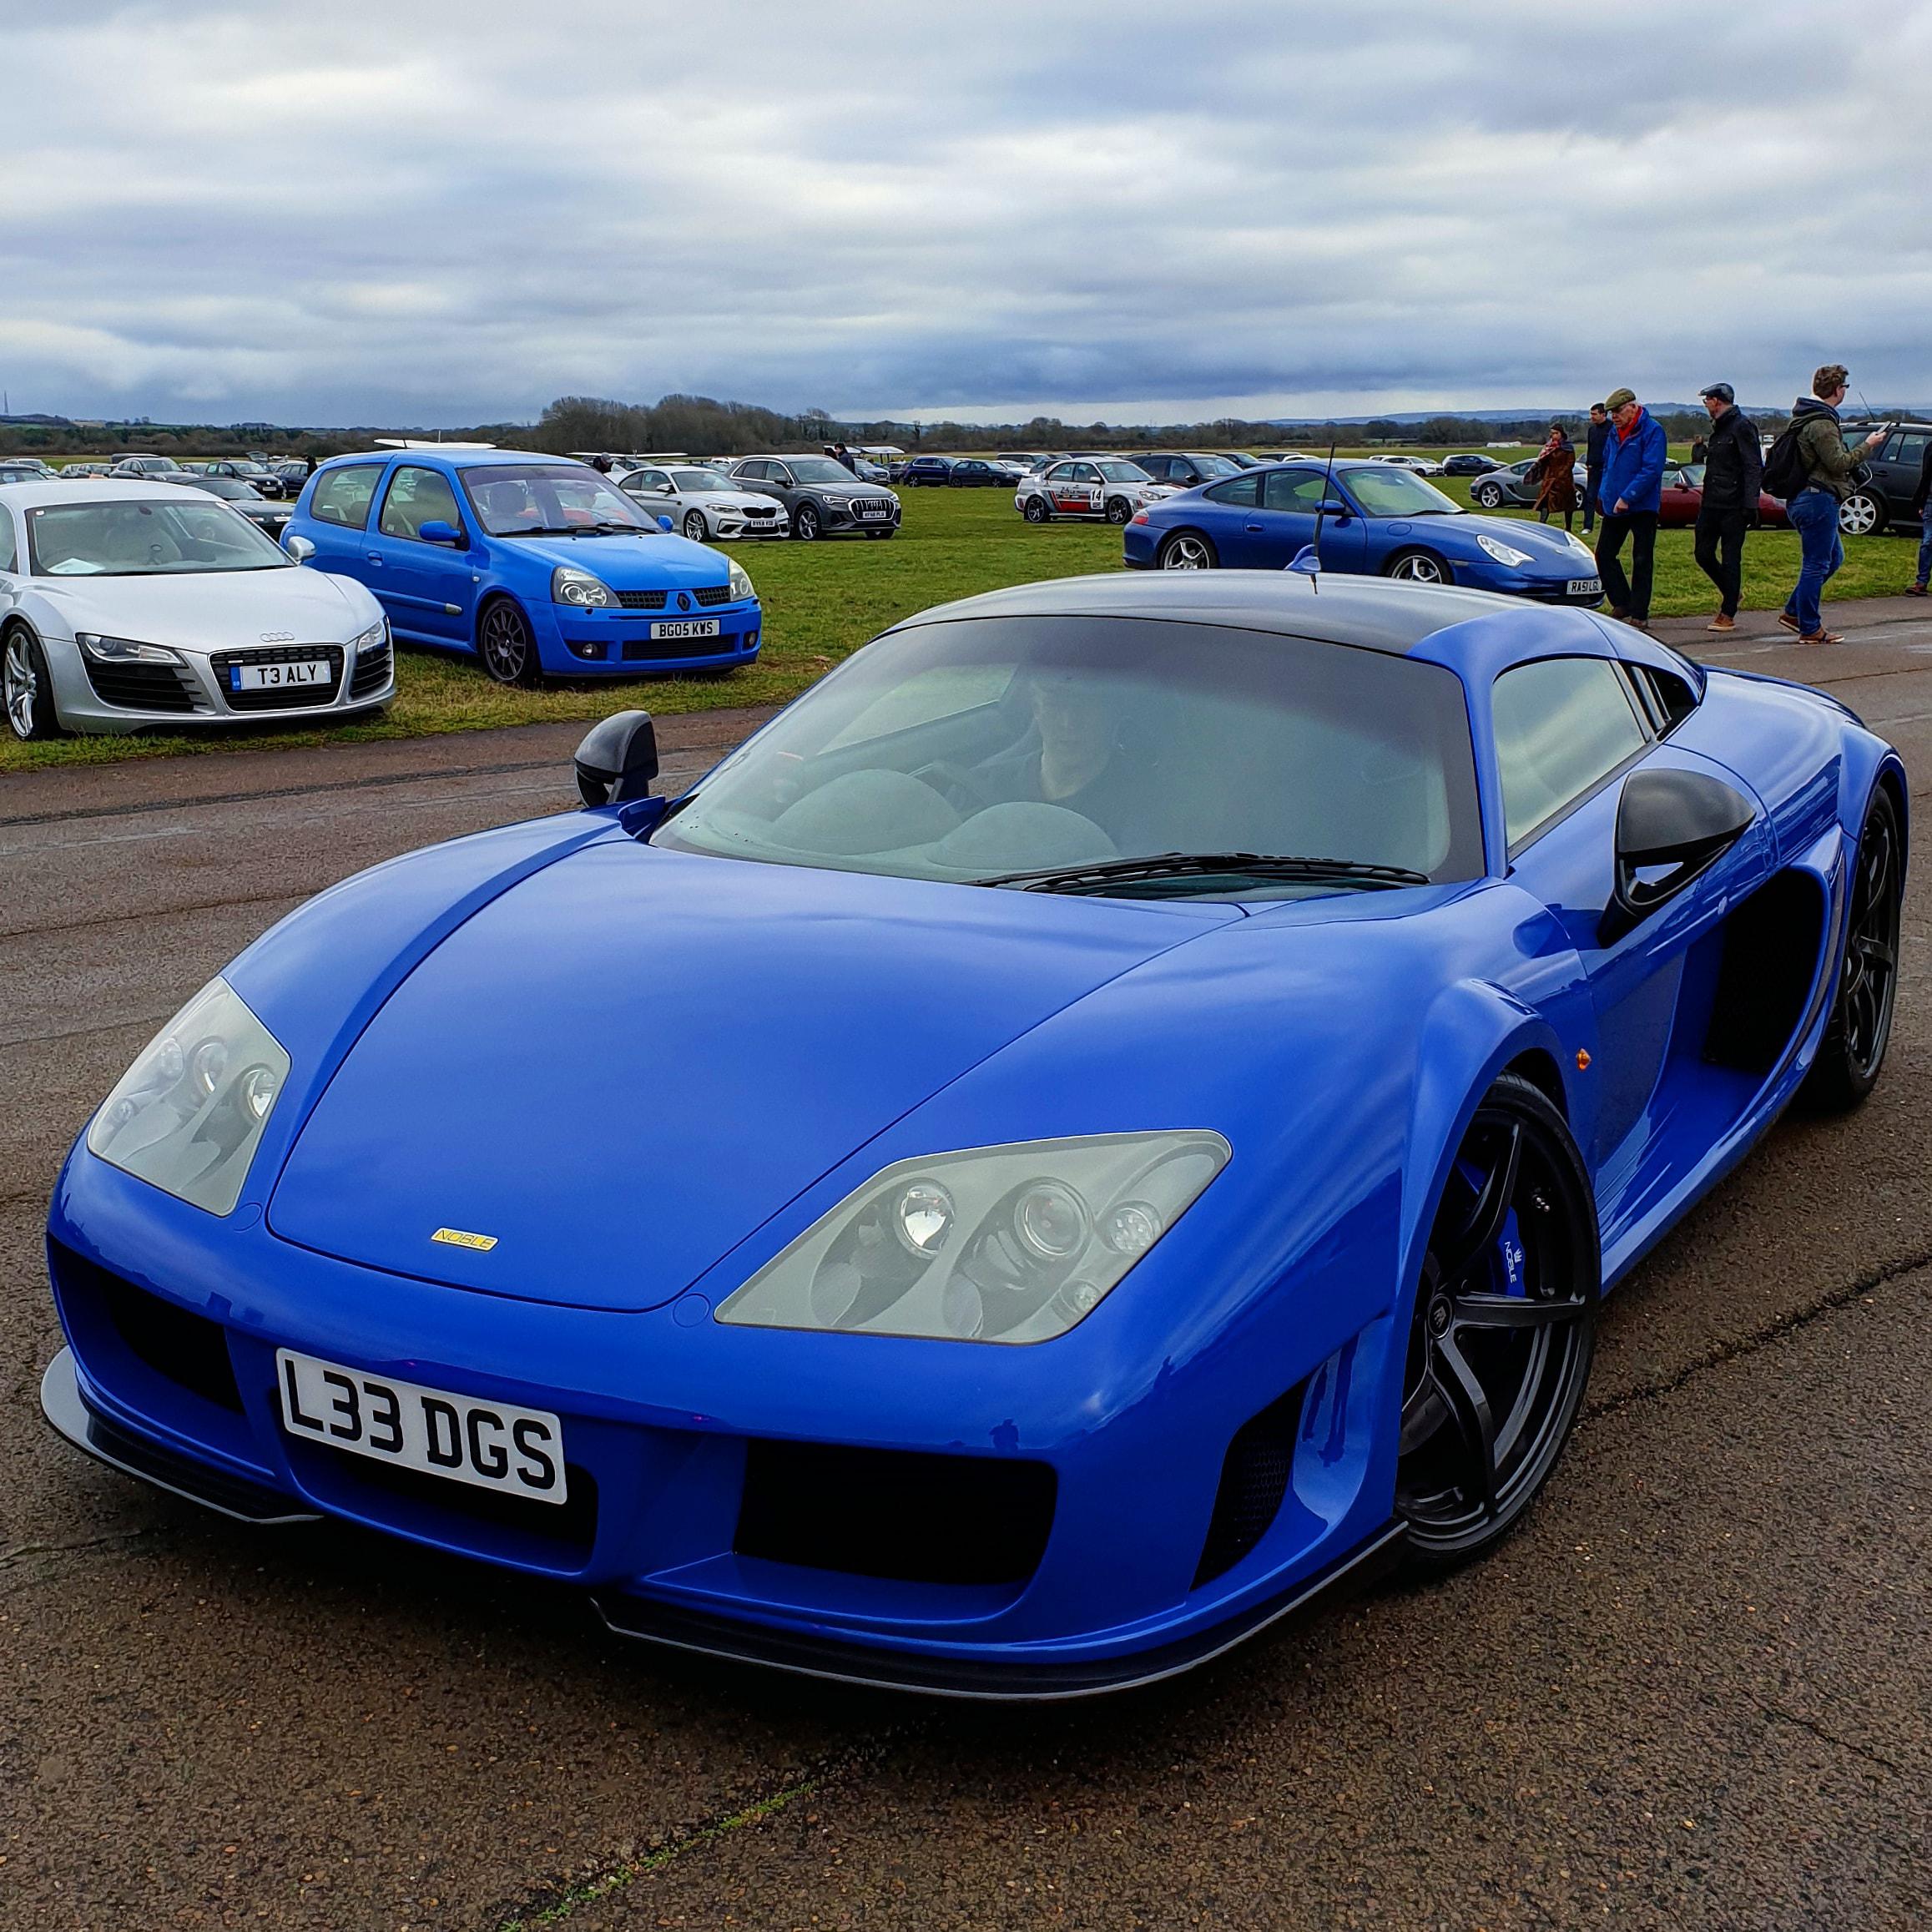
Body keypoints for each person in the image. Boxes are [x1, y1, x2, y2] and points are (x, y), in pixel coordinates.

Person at [1780, 363, 1886, 645]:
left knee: (1833, 558)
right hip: (1817, 498)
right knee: (1816, 563)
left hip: (1804, 497)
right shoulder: (1822, 423)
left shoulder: (1803, 417)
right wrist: (1869, 445)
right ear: (1839, 390)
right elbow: (1838, 462)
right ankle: (1810, 628)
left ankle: (1794, 611)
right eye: (1844, 388)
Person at [1593, 387, 1667, 629]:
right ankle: (1622, 600)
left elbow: (1652, 469)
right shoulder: (1614, 434)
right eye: (1611, 412)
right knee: (1604, 554)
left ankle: (1640, 612)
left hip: (1642, 506)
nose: (1614, 416)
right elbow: (1608, 466)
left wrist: (1629, 496)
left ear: (1633, 408)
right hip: (1614, 503)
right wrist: (1604, 494)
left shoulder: (1653, 430)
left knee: (1642, 558)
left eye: (1618, 411)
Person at [1692, 382, 1762, 633]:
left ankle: (1728, 610)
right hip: (1711, 502)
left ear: (1717, 401)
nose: (1706, 406)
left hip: (1733, 504)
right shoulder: (1718, 429)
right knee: (1703, 553)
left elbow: (1753, 466)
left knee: (1731, 557)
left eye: (1707, 401)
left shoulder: (1741, 427)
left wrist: (1751, 503)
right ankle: (1732, 592)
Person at [1526, 424, 1577, 529]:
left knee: (1568, 504)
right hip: (1550, 478)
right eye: (1552, 433)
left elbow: (1570, 462)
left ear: (1561, 434)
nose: (1554, 436)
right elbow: (1543, 460)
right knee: (1545, 501)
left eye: (1556, 433)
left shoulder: (1567, 447)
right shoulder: (1549, 447)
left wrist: (1562, 474)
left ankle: (1568, 527)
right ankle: (1541, 525)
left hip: (1564, 480)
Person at [1907, 434, 1932, 597]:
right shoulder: (1930, 448)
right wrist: (1921, 502)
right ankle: (1921, 581)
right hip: (1930, 501)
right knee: (1928, 541)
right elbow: (1926, 475)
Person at [1581, 403, 1610, 534]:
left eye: (1594, 414)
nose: (1591, 417)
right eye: (1591, 414)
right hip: (1593, 468)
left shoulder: (1612, 428)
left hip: (1607, 468)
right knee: (1590, 496)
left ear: (1603, 414)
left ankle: (1609, 523)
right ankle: (1587, 526)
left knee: (1607, 496)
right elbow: (1590, 447)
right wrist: (1588, 463)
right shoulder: (1591, 430)